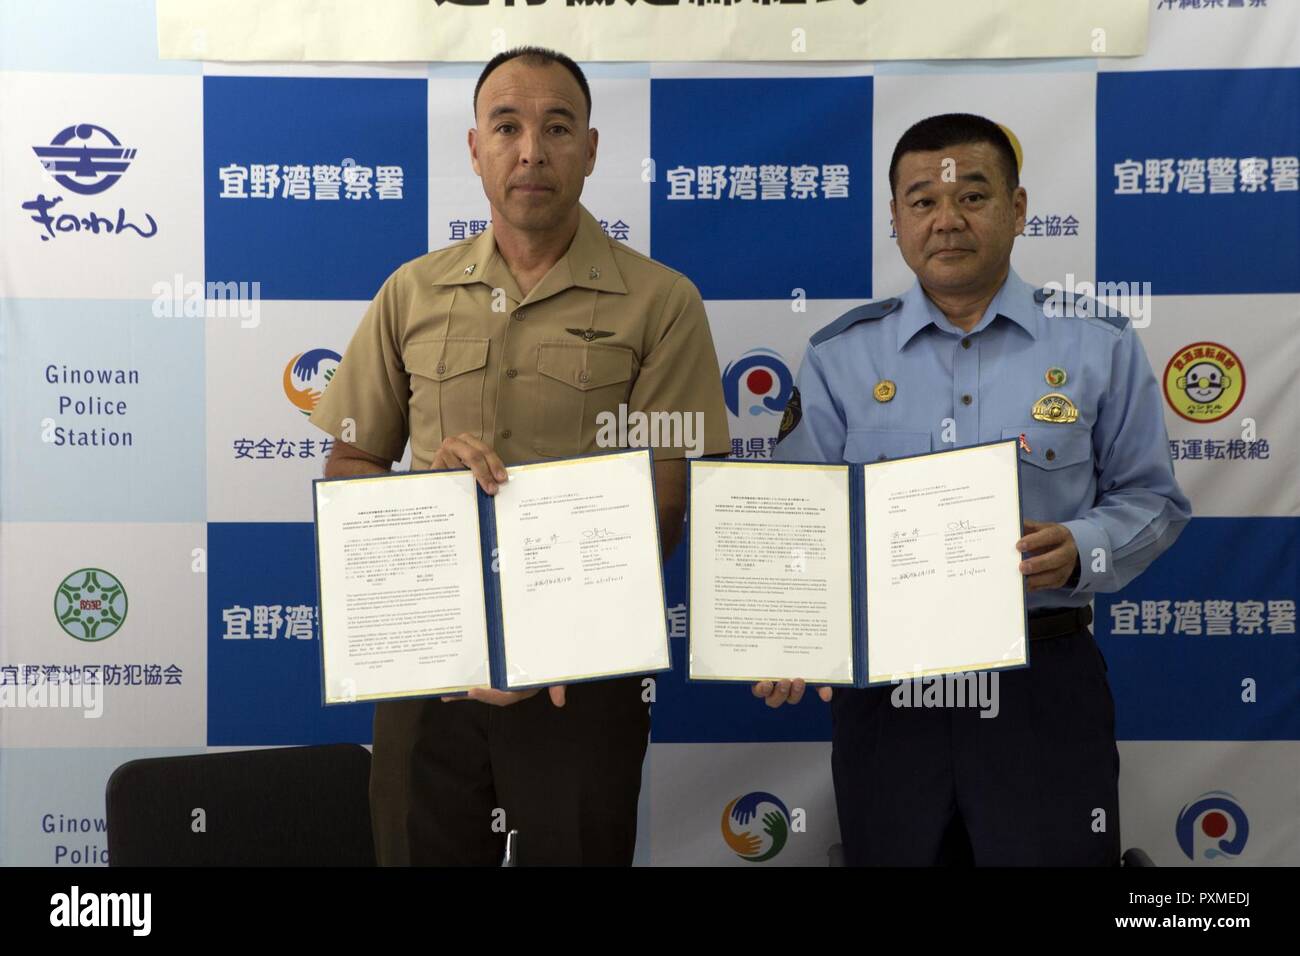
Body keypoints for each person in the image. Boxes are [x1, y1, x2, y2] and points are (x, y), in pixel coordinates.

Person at [310, 46, 730, 865]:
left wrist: (552, 635)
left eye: (556, 127)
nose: (531, 149)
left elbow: (668, 498)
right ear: (475, 149)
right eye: (506, 126)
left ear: (592, 149)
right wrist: (420, 501)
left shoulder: (661, 301)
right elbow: (352, 464)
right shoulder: (412, 290)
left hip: (584, 679)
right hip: (428, 666)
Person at [758, 113, 1191, 866]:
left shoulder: (1099, 344)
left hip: (1041, 682)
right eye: (922, 201)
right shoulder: (838, 358)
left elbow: (1154, 500)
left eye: (973, 197)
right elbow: (799, 528)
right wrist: (788, 635)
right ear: (894, 221)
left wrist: (1081, 548)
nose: (946, 220)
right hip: (888, 693)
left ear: (1018, 209)